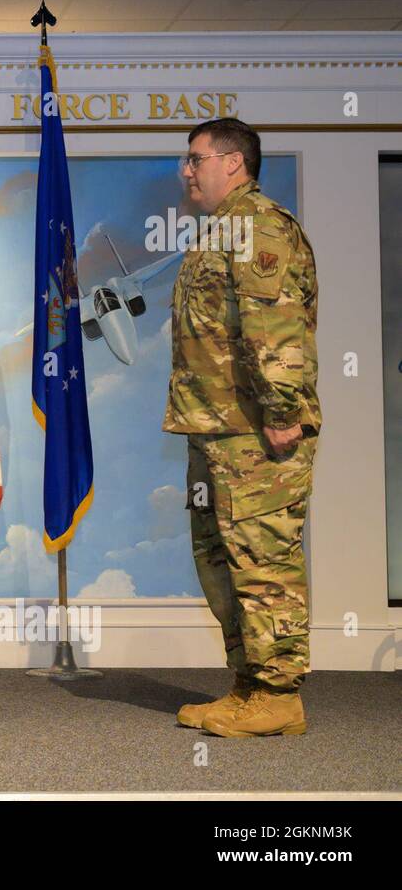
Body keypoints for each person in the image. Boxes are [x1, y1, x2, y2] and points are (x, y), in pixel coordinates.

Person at [165, 117, 320, 737]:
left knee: (264, 559)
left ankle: (279, 695)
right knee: (220, 557)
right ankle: (250, 684)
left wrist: (283, 413)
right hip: (217, 429)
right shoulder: (220, 232)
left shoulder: (258, 227)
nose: (187, 170)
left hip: (258, 432)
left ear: (233, 163)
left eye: (195, 158)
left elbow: (275, 327)